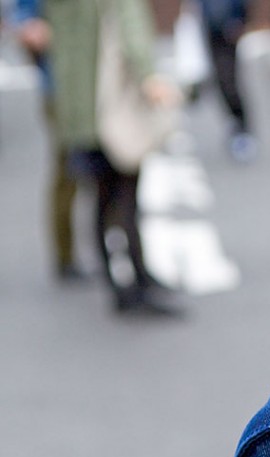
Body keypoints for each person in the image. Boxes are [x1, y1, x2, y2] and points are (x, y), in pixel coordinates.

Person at [45, 0, 183, 316]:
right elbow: (130, 27)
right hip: (110, 104)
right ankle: (131, 285)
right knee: (122, 195)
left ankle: (125, 282)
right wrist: (149, 75)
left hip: (81, 101)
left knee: (104, 195)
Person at [11, 0, 84, 282]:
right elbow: (26, 20)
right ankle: (65, 255)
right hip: (61, 84)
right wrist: (34, 29)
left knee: (104, 170)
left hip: (96, 85)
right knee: (68, 169)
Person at [195, 0, 256, 161]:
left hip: (227, 27)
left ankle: (242, 127)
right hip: (210, 26)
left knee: (228, 79)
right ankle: (235, 124)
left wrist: (240, 19)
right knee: (220, 80)